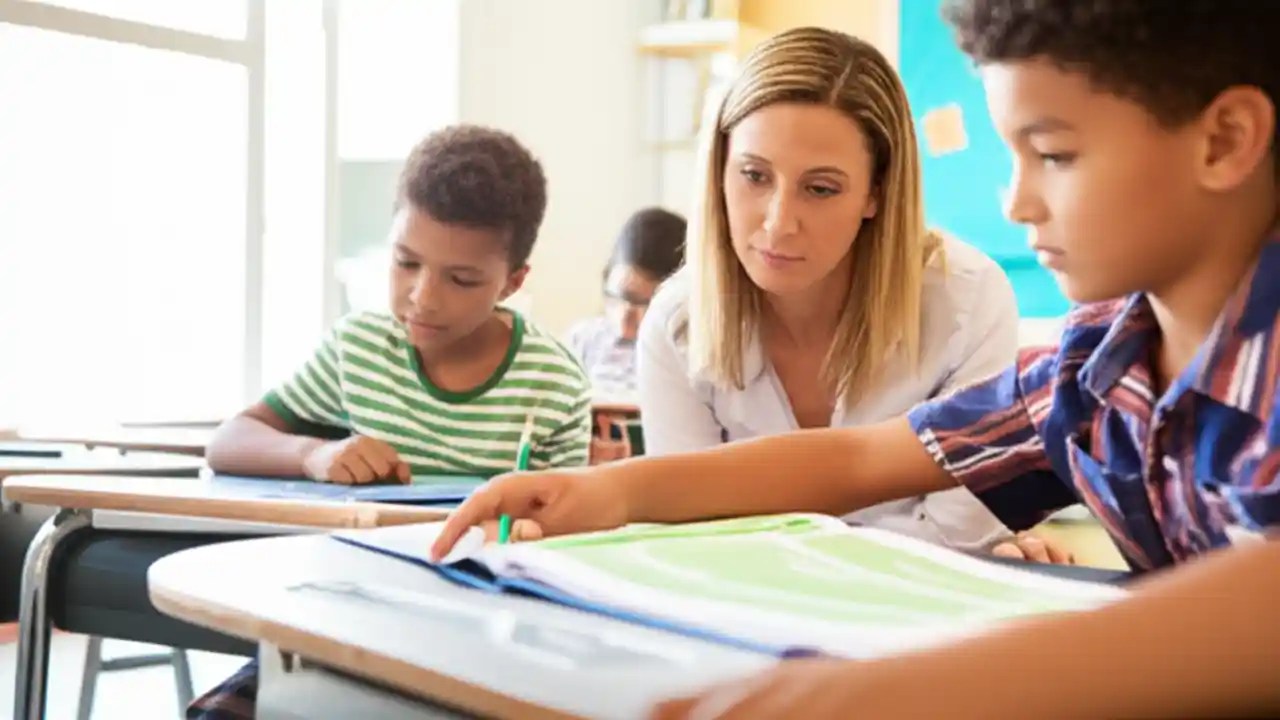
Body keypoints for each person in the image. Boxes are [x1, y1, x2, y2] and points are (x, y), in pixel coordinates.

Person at [433, 1, 1280, 716]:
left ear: (1225, 140)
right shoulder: (1096, 367)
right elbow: (861, 456)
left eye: (1054, 154)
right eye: (1012, 154)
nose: (1015, 199)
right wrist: (611, 489)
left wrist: (872, 696)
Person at [191, 124, 592, 718]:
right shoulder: (360, 346)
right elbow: (229, 442)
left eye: (461, 280)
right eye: (406, 262)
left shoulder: (553, 383)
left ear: (512, 282)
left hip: (480, 637)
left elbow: (572, 537)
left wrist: (538, 532)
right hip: (340, 616)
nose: (423, 298)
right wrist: (314, 454)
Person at [635, 26, 1026, 552]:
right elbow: (691, 537)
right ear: (720, 170)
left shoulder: (969, 301)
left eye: (820, 189)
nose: (778, 224)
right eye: (754, 175)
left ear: (876, 193)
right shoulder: (677, 323)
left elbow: (963, 533)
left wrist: (763, 542)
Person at [567, 207, 685, 464]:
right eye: (617, 297)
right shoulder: (584, 339)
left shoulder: (686, 350)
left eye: (645, 304)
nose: (624, 318)